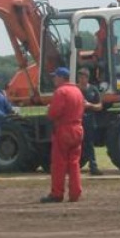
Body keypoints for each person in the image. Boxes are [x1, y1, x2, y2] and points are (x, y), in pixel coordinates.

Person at [41, 67, 85, 203]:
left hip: (64, 129)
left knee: (59, 163)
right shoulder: (78, 91)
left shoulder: (61, 91)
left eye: (55, 77)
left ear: (61, 77)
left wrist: (49, 111)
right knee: (74, 163)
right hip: (78, 128)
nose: (54, 79)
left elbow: (54, 113)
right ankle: (75, 193)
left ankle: (57, 193)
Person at [77, 67, 103, 176]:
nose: (82, 79)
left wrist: (90, 105)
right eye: (80, 77)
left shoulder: (93, 90)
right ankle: (75, 166)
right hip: (77, 119)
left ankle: (93, 166)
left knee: (89, 143)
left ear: (87, 78)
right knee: (77, 143)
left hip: (89, 119)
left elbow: (100, 106)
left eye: (84, 77)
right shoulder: (75, 89)